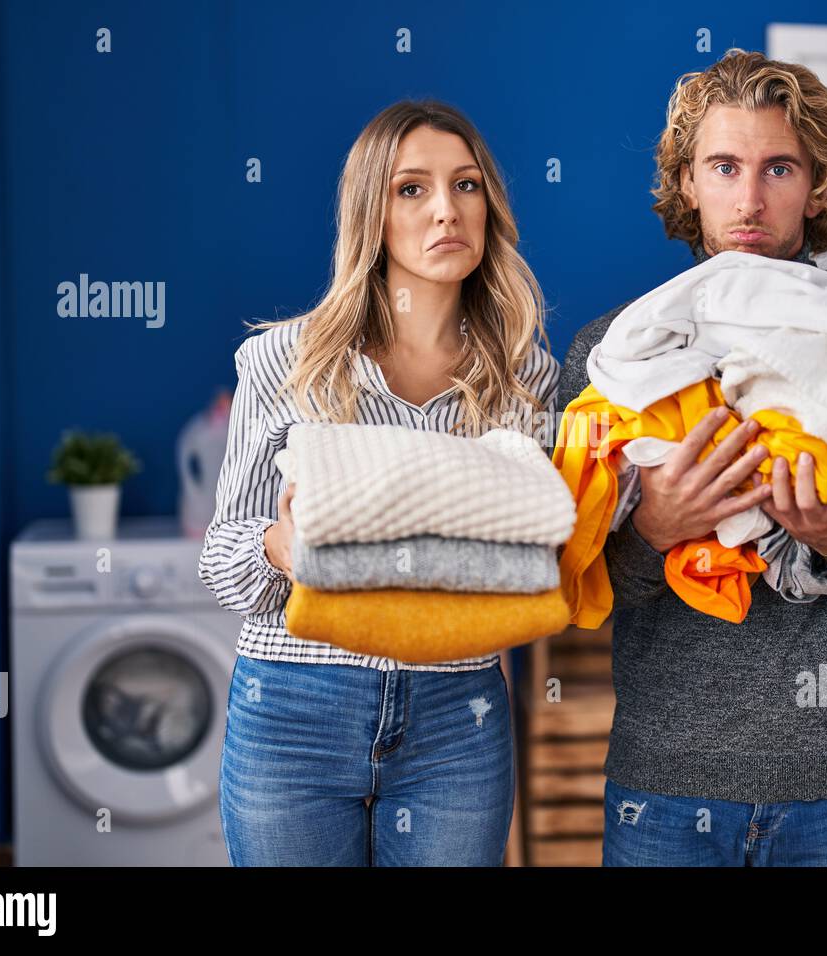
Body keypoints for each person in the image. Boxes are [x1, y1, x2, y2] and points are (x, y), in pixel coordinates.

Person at [557, 49, 827, 866]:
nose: (748, 199)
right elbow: (569, 579)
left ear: (818, 187)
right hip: (663, 784)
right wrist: (656, 530)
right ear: (687, 184)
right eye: (723, 167)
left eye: (779, 168)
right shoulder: (615, 353)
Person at [200, 99, 560, 866]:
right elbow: (222, 562)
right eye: (412, 189)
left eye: (466, 185)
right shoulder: (284, 361)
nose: (446, 210)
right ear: (372, 211)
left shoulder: (525, 376)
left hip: (457, 717)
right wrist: (280, 547)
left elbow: (532, 563)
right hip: (293, 709)